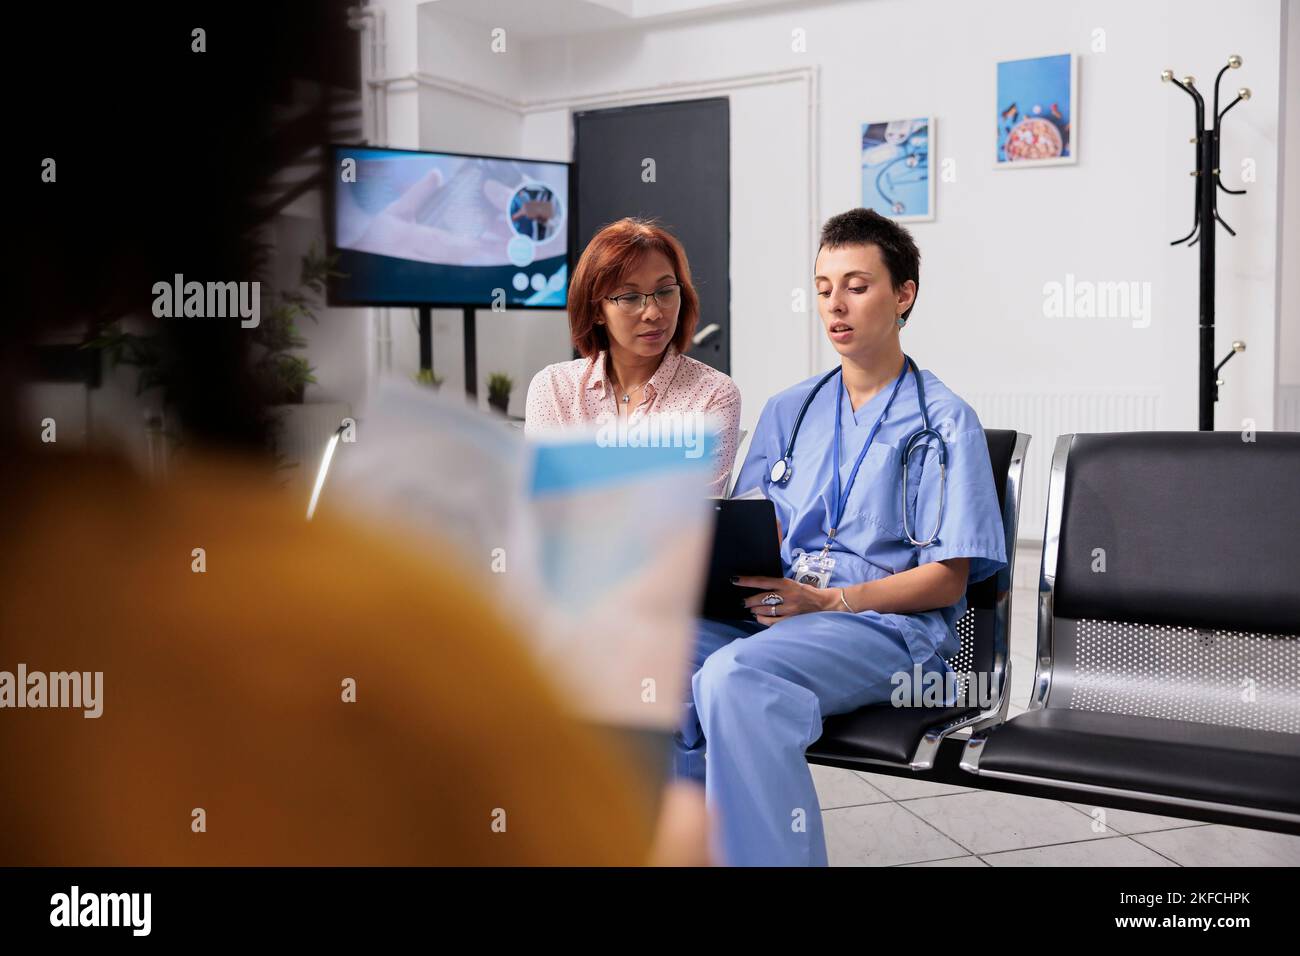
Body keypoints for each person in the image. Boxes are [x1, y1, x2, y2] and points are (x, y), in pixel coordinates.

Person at [671, 208, 1007, 866]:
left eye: (856, 285)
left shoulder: (944, 422)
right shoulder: (790, 410)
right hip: (781, 612)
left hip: (887, 630)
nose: (835, 304)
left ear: (904, 294)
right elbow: (752, 522)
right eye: (824, 288)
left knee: (736, 678)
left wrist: (828, 601)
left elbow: (948, 580)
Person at [525, 218, 741, 496]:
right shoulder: (554, 388)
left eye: (665, 292)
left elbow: (694, 509)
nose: (653, 313)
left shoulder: (713, 393)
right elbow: (547, 503)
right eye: (629, 297)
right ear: (597, 310)